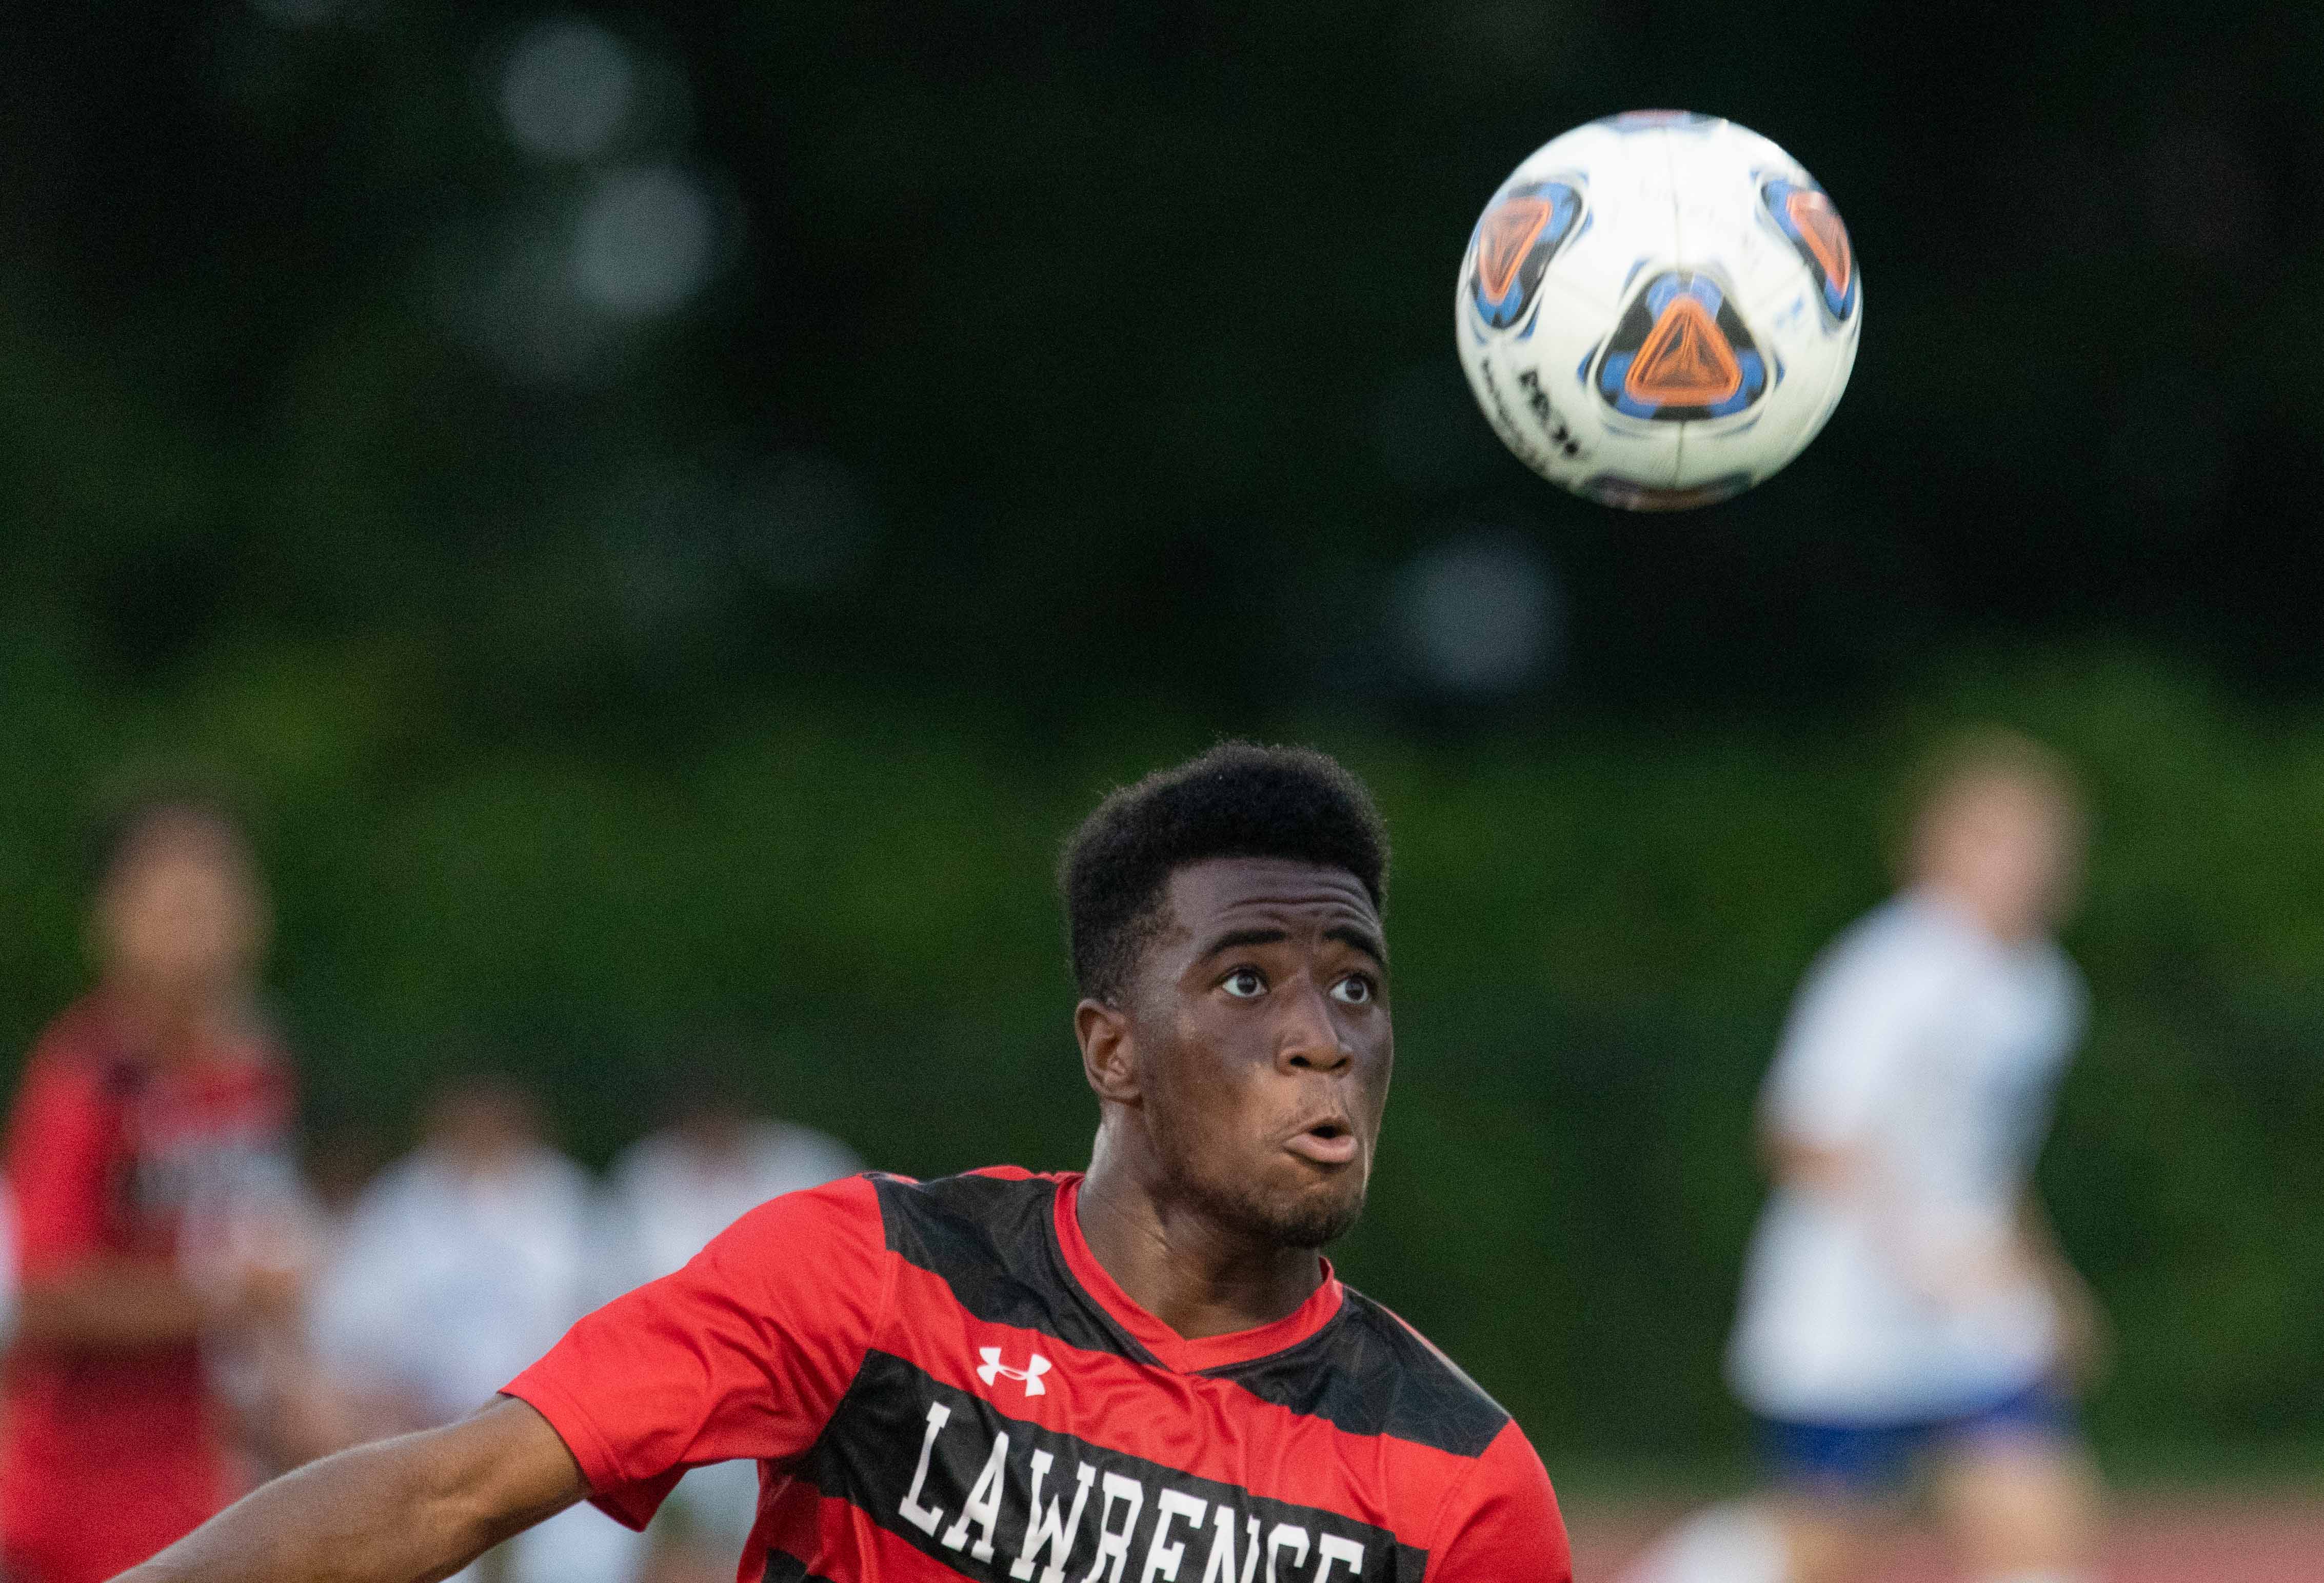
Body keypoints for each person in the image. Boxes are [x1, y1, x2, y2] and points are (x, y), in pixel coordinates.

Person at [117, 743, 1572, 1583]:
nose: (1321, 1035)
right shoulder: (873, 1276)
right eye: (1247, 982)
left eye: (1357, 986)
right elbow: (451, 1490)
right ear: (1111, 1047)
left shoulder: (1456, 1479)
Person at [1621, 731, 2104, 1583]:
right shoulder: (1891, 968)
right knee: (1825, 1542)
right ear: (1932, 846)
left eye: (2041, 839)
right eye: (1997, 837)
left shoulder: (2043, 991)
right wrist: (1913, 1245)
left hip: (1967, 1306)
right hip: (1850, 1303)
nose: (2024, 862)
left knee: (2037, 1513)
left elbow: (1988, 1166)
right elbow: (1801, 1134)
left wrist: (2044, 1279)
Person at [2, 790, 323, 1583]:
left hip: (202, 1462)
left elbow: (258, 1242)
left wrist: (298, 1382)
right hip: (75, 1478)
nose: (196, 936)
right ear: (114, 921)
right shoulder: (91, 1077)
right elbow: (43, 1292)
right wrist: (223, 1298)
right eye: (171, 908)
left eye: (215, 903)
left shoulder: (254, 1069)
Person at [306, 1073, 649, 1583]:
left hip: (551, 1425)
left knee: (580, 1556)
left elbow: (619, 1317)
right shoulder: (400, 1203)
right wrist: (389, 1403)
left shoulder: (566, 1199)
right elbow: (349, 1331)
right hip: (425, 1427)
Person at [598, 1059, 861, 1580]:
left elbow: (858, 1288)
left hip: (796, 1389)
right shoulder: (645, 1179)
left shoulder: (809, 1166)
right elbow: (613, 1302)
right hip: (672, 1388)